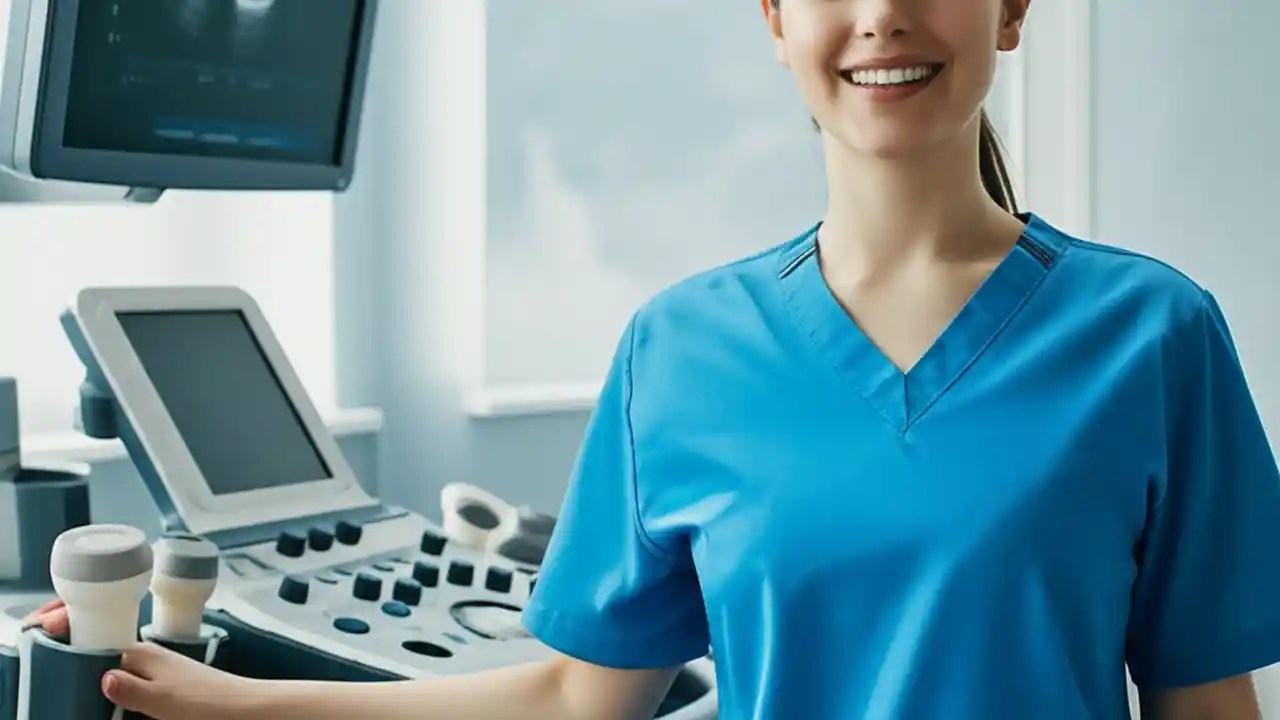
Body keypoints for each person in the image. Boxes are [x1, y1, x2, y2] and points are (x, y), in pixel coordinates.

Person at [28, 0, 1280, 717]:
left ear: (1011, 8)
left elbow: (1205, 714)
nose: (882, 15)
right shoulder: (679, 352)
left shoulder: (1152, 340)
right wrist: (248, 707)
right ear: (776, 19)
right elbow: (578, 701)